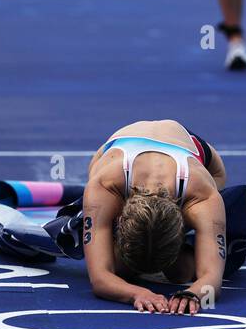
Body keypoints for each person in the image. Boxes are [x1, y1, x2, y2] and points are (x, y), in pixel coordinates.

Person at [80, 119, 228, 315]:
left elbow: (212, 278)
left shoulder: (202, 195)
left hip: (197, 152)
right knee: (120, 269)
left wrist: (192, 294)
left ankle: (169, 250)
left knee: (181, 273)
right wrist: (136, 293)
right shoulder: (104, 185)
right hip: (121, 148)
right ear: (120, 219)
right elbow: (100, 279)